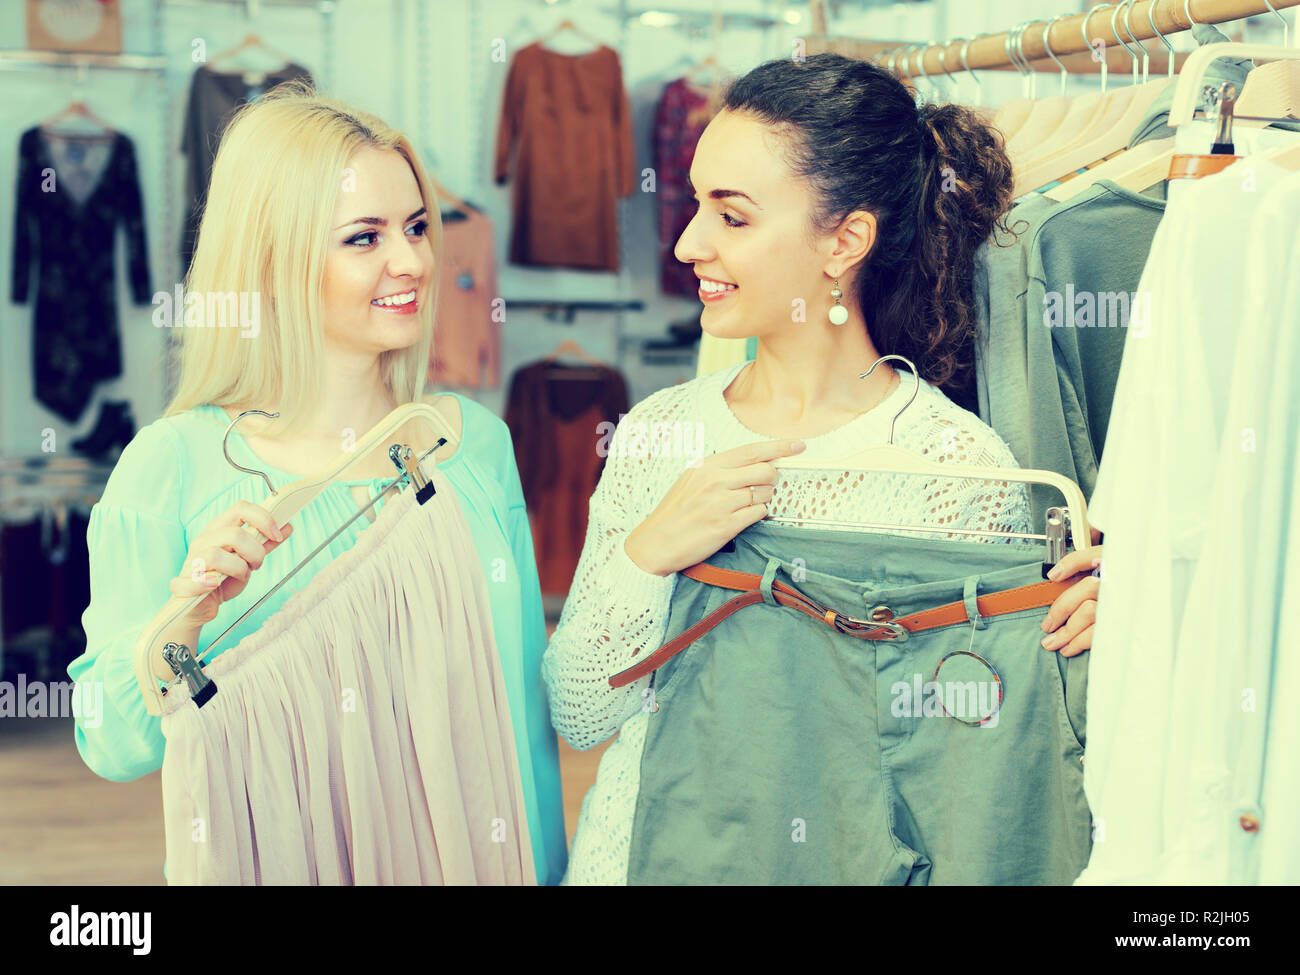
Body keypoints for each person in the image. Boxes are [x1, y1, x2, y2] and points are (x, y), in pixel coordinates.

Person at [543, 53, 1101, 885]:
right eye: (696, 205)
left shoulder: (952, 465)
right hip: (641, 856)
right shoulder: (661, 433)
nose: (689, 242)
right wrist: (648, 551)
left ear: (845, 241)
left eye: (731, 217)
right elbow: (581, 711)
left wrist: (1076, 636)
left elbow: (961, 754)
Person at [66, 83, 567, 885]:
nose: (411, 261)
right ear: (273, 258)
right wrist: (187, 612)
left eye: (414, 227)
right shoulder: (172, 467)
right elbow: (115, 745)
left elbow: (517, 721)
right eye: (363, 237)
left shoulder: (470, 446)